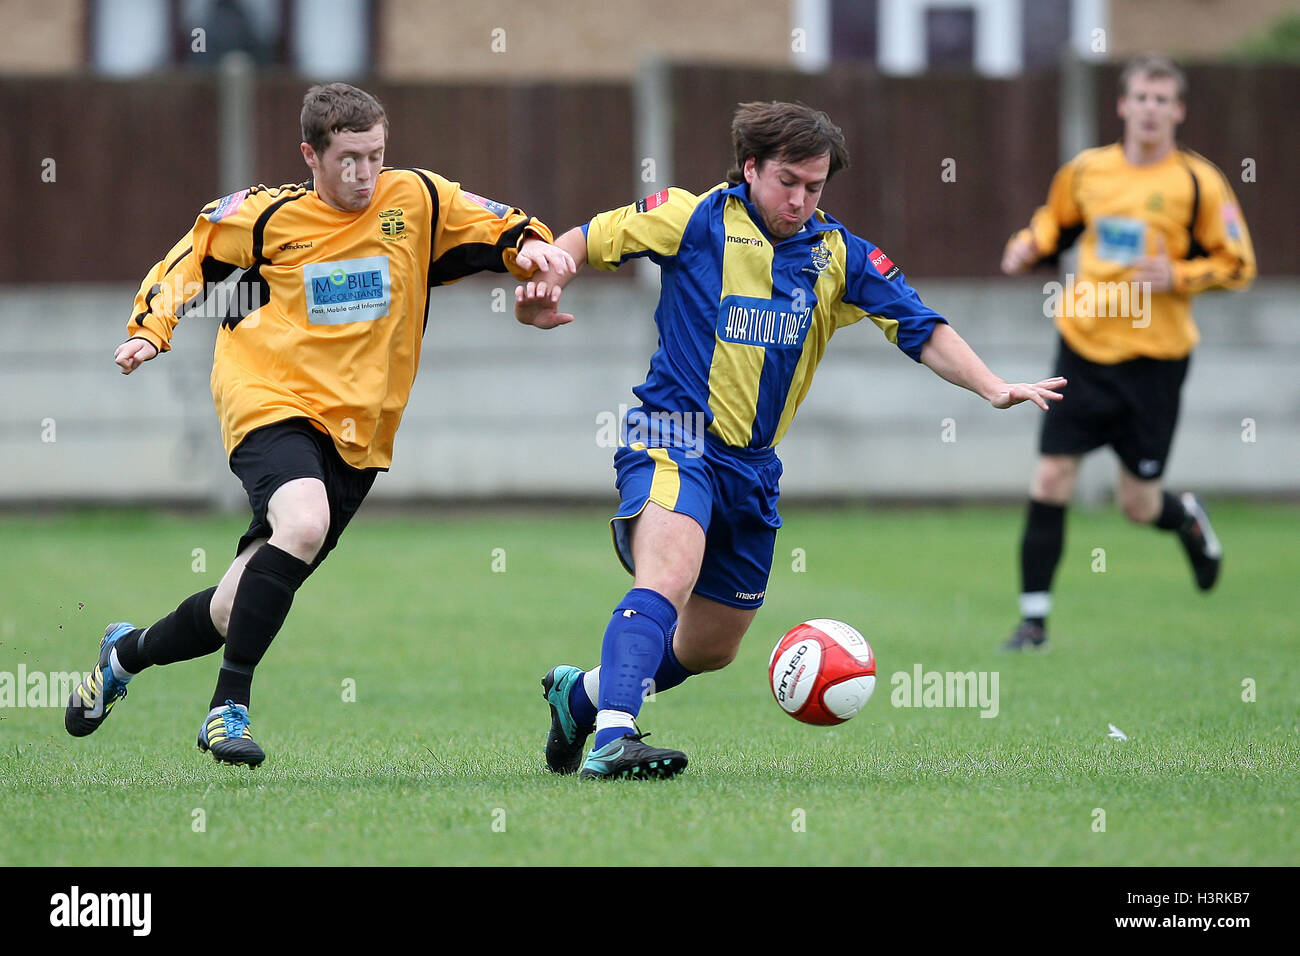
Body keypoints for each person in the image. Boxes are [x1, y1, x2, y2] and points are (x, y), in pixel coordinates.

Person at [514, 100, 1066, 780]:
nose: (801, 199)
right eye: (788, 182)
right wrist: (549, 275)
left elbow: (921, 326)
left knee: (711, 646)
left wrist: (991, 384)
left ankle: (583, 696)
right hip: (673, 434)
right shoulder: (691, 217)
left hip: (751, 469)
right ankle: (614, 738)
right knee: (669, 573)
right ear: (751, 168)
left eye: (815, 186)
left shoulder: (840, 256)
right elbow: (585, 237)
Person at [65, 82, 573, 766]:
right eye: (349, 159)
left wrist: (535, 254)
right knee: (301, 523)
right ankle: (227, 710)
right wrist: (153, 330)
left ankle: (122, 656)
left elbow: (502, 226)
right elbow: (190, 258)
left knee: (230, 608)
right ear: (311, 154)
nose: (365, 174)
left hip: (359, 434)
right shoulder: (266, 216)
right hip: (266, 397)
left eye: (376, 156)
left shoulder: (416, 199)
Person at [999, 55, 1256, 651]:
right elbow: (1054, 226)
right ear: (1122, 104)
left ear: (1178, 111)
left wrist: (1181, 274)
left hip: (1155, 361)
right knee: (1052, 473)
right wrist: (1024, 247)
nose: (1150, 109)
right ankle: (1033, 623)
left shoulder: (1198, 182)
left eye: (1162, 100)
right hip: (1083, 348)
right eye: (1140, 97)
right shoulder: (1087, 171)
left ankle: (1186, 516)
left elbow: (1239, 264)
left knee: (1137, 505)